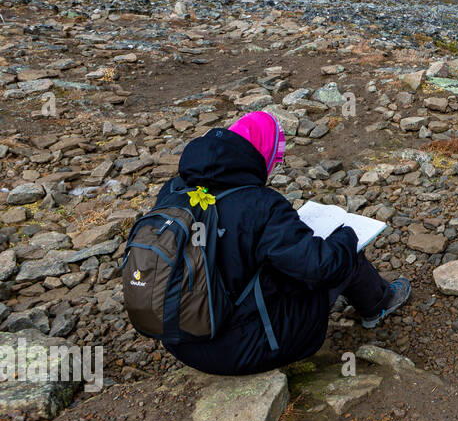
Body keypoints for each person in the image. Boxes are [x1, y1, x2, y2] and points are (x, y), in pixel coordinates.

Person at [157, 110, 411, 376]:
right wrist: (346, 235)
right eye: (276, 158)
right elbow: (322, 267)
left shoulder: (173, 190)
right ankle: (379, 304)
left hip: (180, 341)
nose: (275, 166)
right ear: (258, 154)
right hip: (240, 352)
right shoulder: (260, 204)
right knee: (344, 257)